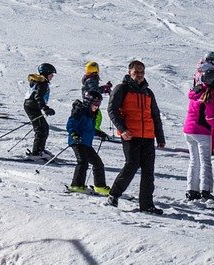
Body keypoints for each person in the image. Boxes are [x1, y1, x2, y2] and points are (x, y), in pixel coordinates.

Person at [106, 59, 166, 213]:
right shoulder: (122, 89)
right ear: (129, 72)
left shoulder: (148, 92)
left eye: (141, 72)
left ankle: (146, 205)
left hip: (147, 136)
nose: (139, 74)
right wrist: (122, 129)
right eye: (136, 71)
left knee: (148, 171)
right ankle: (114, 194)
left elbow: (155, 115)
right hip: (130, 135)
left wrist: (160, 137)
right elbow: (112, 110)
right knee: (131, 165)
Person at [184, 66, 214, 200]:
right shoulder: (209, 95)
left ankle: (191, 190)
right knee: (205, 161)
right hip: (202, 132)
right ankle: (205, 190)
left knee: (194, 161)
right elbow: (209, 117)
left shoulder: (196, 92)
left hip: (188, 130)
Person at [66, 90, 110, 194]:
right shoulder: (79, 111)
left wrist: (99, 133)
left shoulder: (92, 114)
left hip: (86, 143)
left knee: (98, 164)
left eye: (99, 103)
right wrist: (74, 134)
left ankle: (100, 186)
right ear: (88, 102)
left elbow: (89, 129)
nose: (97, 106)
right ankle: (76, 185)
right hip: (77, 141)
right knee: (83, 162)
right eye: (95, 103)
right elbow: (70, 124)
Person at [24, 63, 56, 158]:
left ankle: (40, 149)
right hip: (32, 106)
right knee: (41, 129)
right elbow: (38, 97)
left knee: (44, 127)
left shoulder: (39, 81)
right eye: (51, 74)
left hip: (31, 106)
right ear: (46, 73)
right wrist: (45, 108)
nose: (52, 76)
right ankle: (37, 152)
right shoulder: (43, 83)